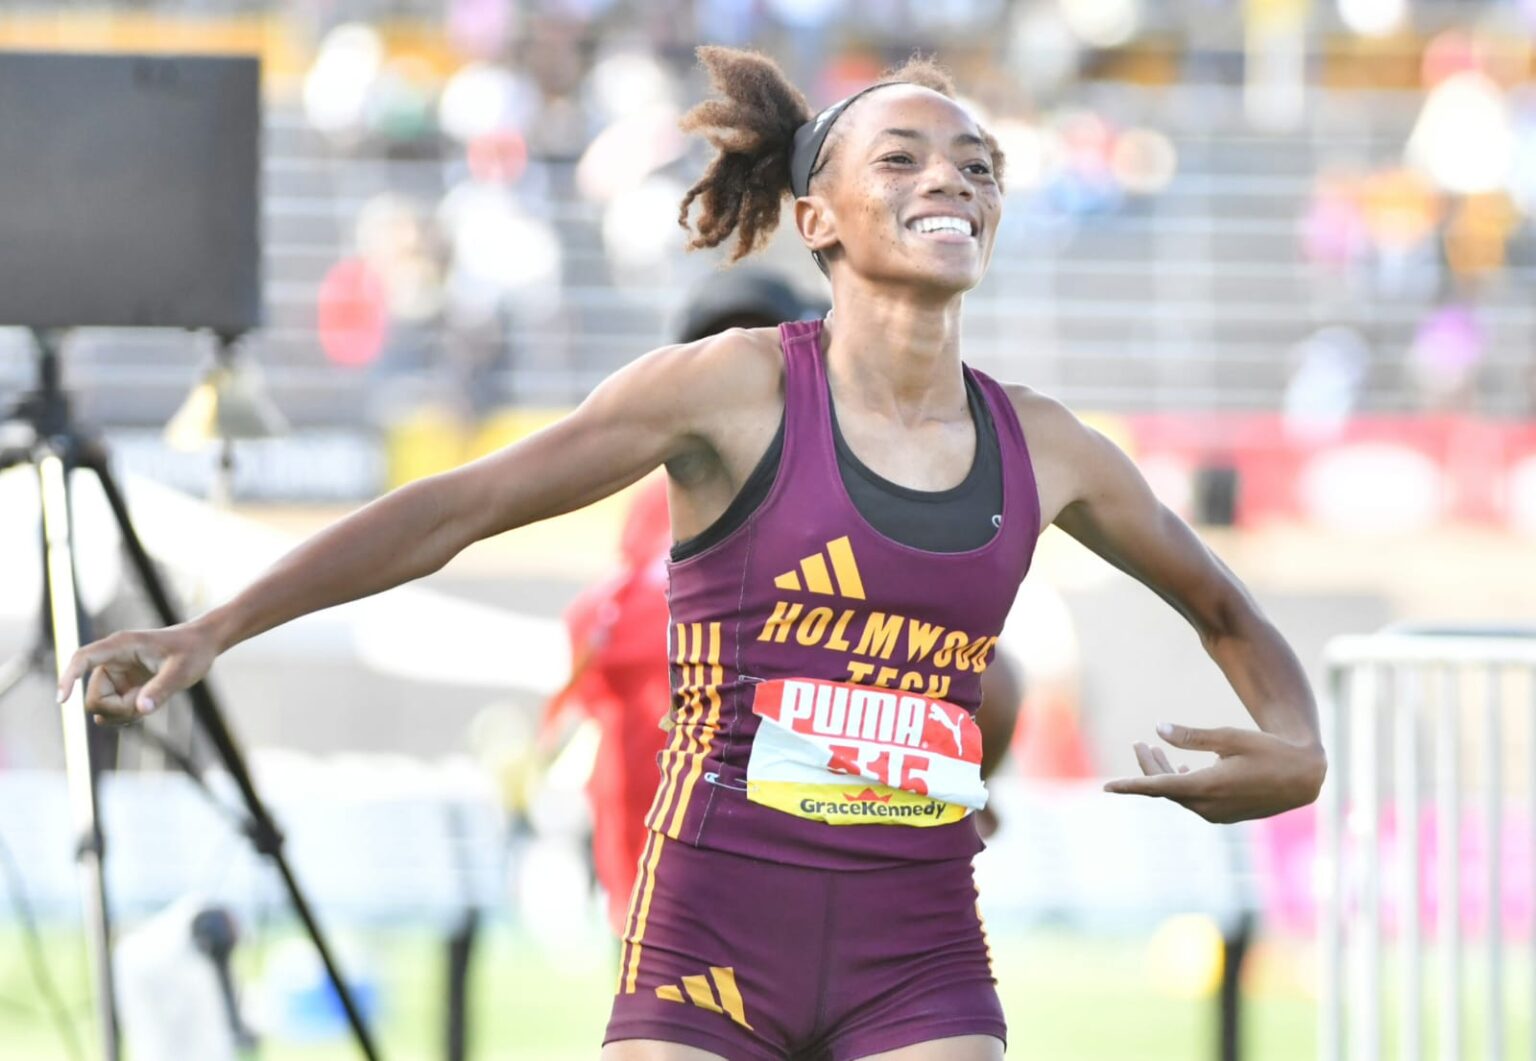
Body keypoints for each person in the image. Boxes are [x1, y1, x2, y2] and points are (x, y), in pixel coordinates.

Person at [60, 46, 1327, 1061]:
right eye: (906, 156)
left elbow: (1219, 603)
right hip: (711, 937)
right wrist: (209, 627)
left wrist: (1298, 739)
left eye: (978, 162)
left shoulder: (1050, 447)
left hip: (923, 956)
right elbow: (458, 505)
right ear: (816, 215)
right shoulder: (732, 393)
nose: (953, 179)